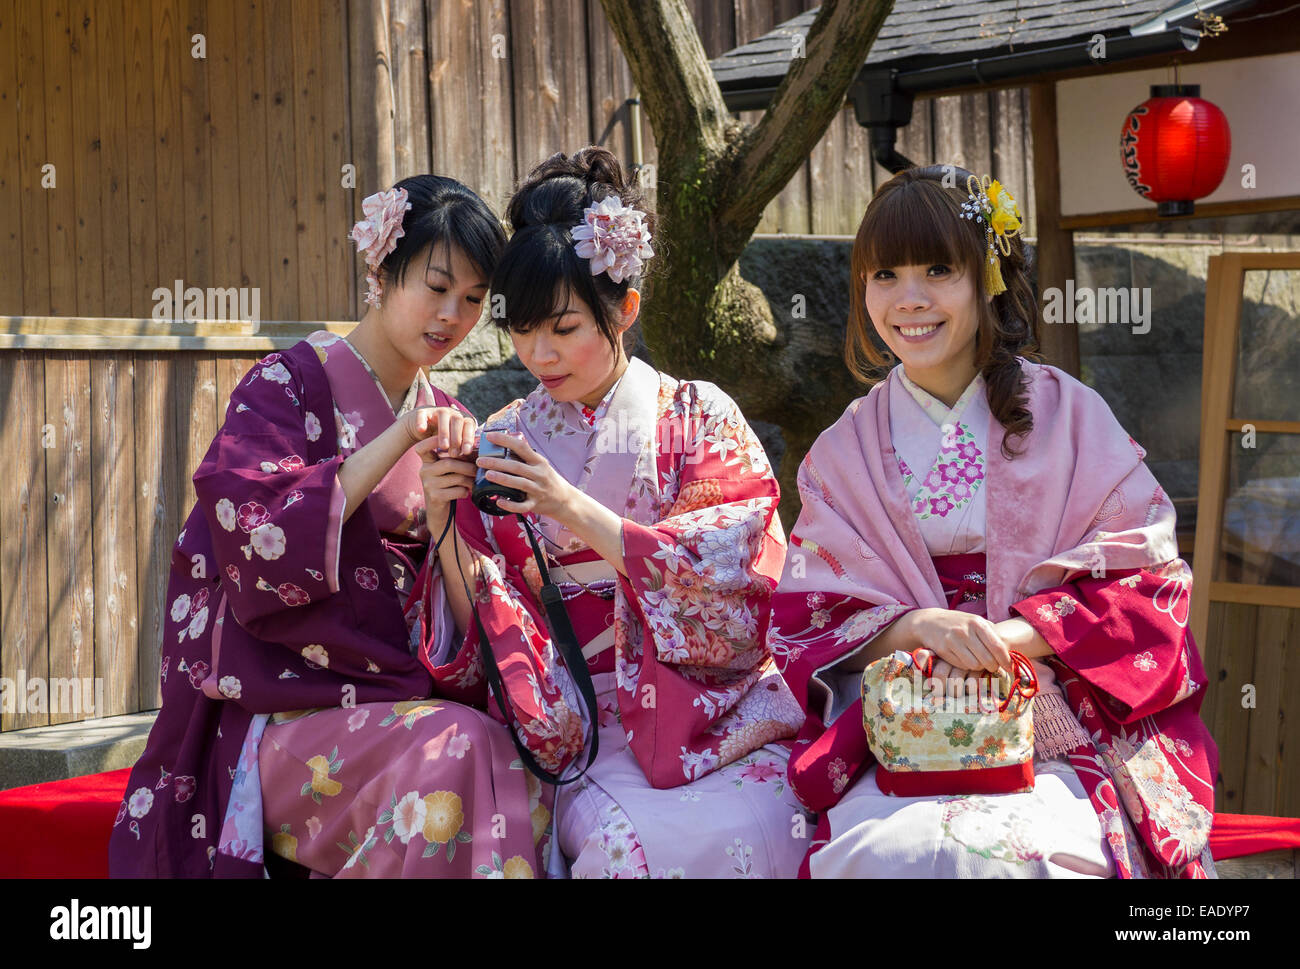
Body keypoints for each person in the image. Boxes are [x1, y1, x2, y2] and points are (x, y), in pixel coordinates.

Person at [769, 164, 1218, 879]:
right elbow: (808, 617)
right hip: (912, 713)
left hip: (1052, 703)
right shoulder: (843, 447)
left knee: (1026, 857)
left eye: (939, 269)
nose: (909, 300)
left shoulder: (1072, 416)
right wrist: (920, 627)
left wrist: (1000, 639)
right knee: (884, 851)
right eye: (885, 275)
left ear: (987, 278)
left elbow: (1146, 583)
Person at [110, 176, 549, 878]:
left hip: (396, 698)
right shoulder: (284, 387)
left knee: (512, 756)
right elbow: (256, 542)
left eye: (471, 299)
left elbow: (455, 608)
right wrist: (398, 439)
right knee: (455, 749)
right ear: (378, 272)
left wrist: (443, 524)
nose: (451, 315)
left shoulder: (444, 413)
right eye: (435, 287)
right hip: (283, 714)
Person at [416, 147, 808, 878]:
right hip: (580, 725)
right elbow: (490, 629)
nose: (538, 352)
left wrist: (569, 506)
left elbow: (741, 574)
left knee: (793, 820)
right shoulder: (503, 436)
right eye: (522, 328)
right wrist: (446, 525)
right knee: (637, 849)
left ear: (626, 307)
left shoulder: (700, 415)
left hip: (713, 717)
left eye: (563, 327)